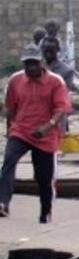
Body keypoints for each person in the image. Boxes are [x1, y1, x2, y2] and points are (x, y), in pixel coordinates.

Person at [0, 45, 70, 221]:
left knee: (43, 178)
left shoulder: (55, 81)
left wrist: (47, 126)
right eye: (27, 64)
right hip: (21, 131)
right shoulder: (15, 80)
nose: (31, 68)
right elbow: (10, 107)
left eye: (34, 63)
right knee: (8, 161)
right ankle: (3, 202)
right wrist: (10, 130)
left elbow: (61, 109)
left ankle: (45, 213)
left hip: (45, 135)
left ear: (41, 63)